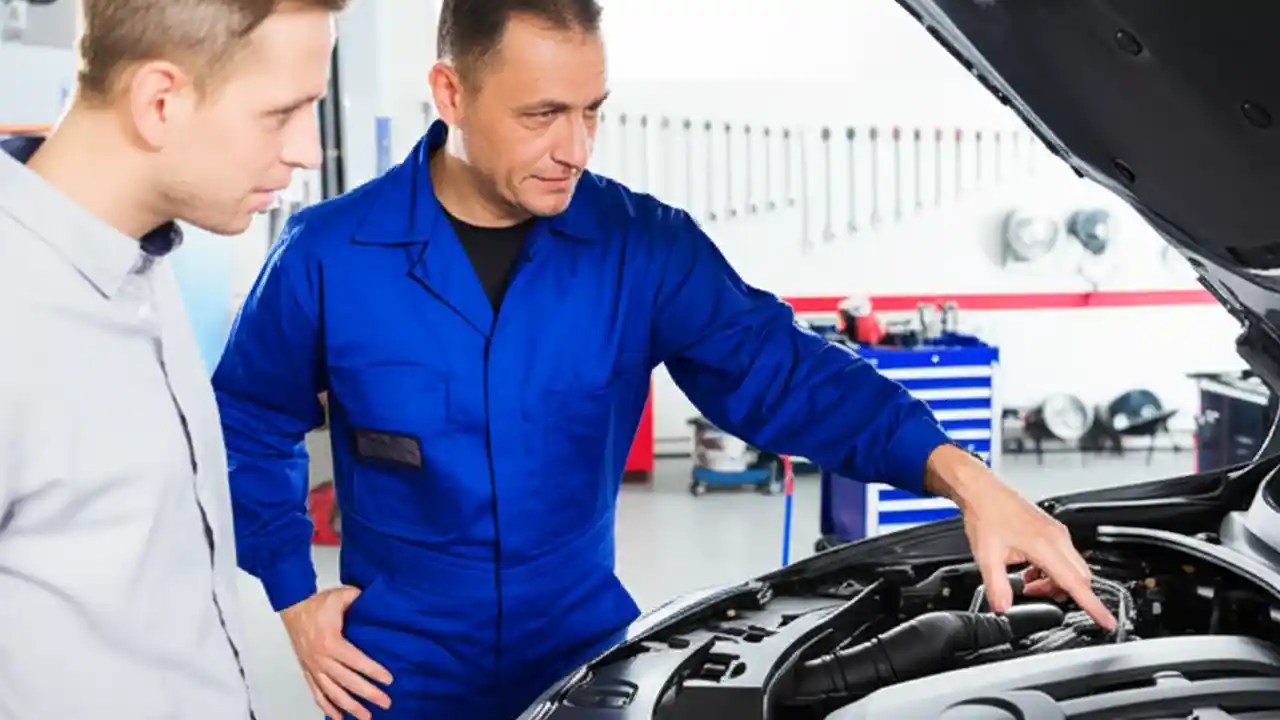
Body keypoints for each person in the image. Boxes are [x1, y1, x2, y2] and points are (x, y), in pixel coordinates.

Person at [213, 1, 1118, 718]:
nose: (574, 148)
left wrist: (966, 478)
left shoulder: (640, 249)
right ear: (450, 93)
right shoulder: (328, 254)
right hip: (399, 665)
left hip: (583, 647)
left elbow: (783, 369)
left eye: (590, 112)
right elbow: (250, 418)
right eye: (540, 115)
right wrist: (292, 593)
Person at [0, 1, 344, 718]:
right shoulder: (17, 310)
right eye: (282, 113)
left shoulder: (138, 265)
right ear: (160, 102)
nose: (309, 150)